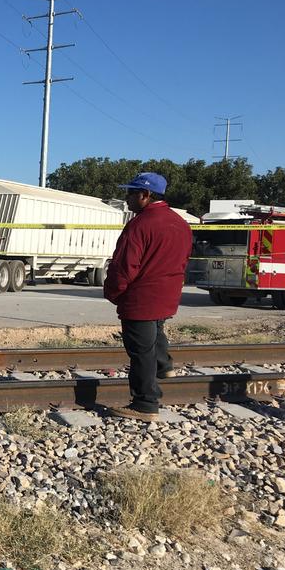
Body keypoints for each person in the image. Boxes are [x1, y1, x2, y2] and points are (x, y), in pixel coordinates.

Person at [104, 172, 192, 422]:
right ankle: (165, 367)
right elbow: (184, 259)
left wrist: (113, 291)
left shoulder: (140, 224)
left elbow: (124, 266)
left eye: (131, 193)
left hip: (141, 298)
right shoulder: (180, 223)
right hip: (167, 296)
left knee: (141, 351)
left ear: (145, 195)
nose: (127, 198)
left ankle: (145, 404)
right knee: (155, 332)